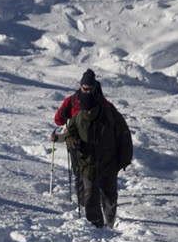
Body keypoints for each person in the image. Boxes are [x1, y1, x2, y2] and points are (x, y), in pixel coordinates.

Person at [63, 88, 133, 228]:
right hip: (87, 163)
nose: (88, 113)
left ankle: (110, 222)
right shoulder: (78, 117)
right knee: (90, 195)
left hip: (108, 161)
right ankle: (95, 225)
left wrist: (124, 159)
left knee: (109, 194)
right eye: (85, 110)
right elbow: (70, 133)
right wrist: (72, 142)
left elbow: (124, 136)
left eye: (91, 110)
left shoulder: (110, 114)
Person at [52, 69, 112, 202]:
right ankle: (83, 201)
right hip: (75, 142)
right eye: (85, 88)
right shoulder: (71, 101)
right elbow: (58, 120)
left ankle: (92, 200)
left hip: (95, 142)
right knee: (79, 172)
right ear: (80, 86)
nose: (88, 91)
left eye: (90, 89)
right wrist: (63, 116)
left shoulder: (102, 102)